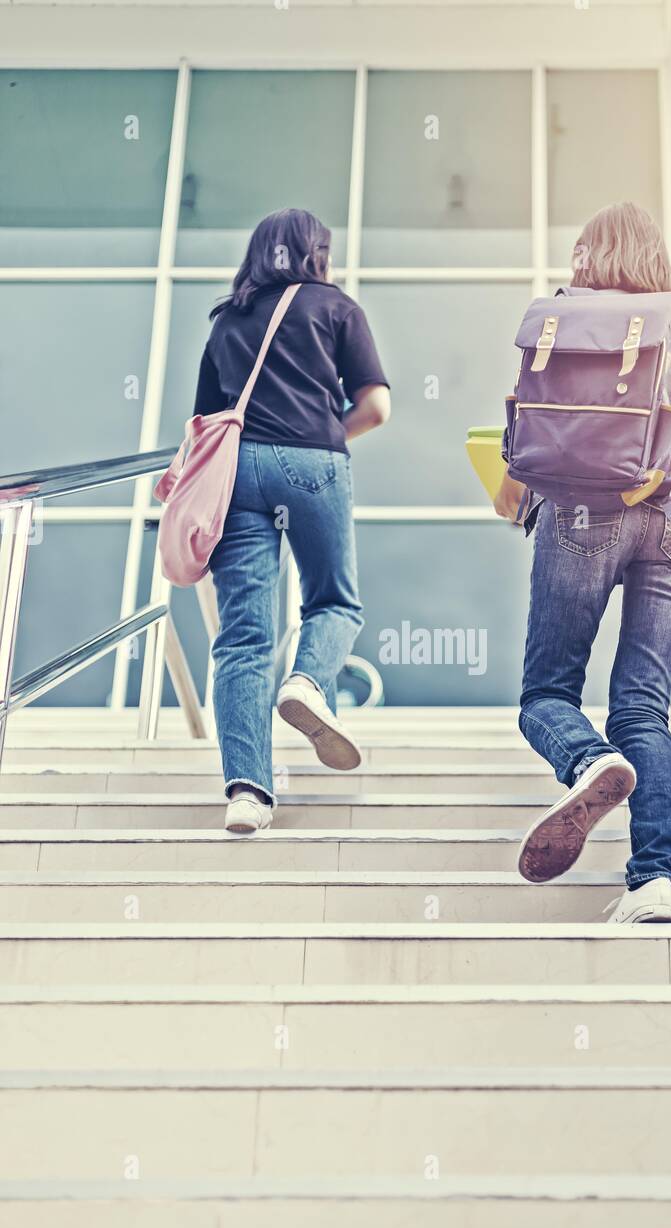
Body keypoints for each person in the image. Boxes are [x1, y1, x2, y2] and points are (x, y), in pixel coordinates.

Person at [495, 202, 671, 923]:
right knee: (643, 706)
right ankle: (655, 881)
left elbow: (523, 451)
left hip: (579, 514)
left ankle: (587, 761)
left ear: (588, 260)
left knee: (546, 695)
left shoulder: (555, 334)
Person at [193, 208, 390, 834]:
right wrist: (330, 434)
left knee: (242, 639)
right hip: (314, 461)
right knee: (334, 602)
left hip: (237, 473)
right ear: (317, 253)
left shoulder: (225, 321)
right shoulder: (336, 308)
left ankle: (247, 793)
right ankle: (306, 682)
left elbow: (203, 424)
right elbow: (377, 407)